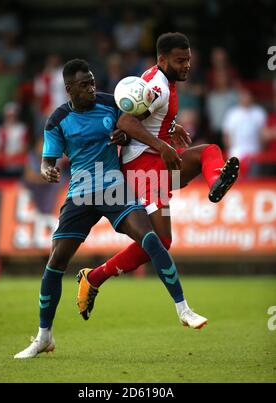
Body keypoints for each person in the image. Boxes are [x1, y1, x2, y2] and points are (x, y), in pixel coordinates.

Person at [14, 58, 207, 359]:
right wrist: (47, 170)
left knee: (152, 239)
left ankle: (184, 310)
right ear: (69, 89)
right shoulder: (57, 120)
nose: (92, 88)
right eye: (84, 84)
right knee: (56, 261)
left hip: (115, 187)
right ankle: (43, 337)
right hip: (80, 194)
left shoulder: (111, 102)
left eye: (92, 81)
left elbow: (138, 124)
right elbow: (47, 161)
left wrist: (127, 135)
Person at [77, 33, 240, 319]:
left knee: (209, 151)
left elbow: (144, 114)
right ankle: (94, 278)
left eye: (188, 60)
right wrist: (162, 144)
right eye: (180, 61)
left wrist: (169, 126)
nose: (186, 65)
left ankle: (216, 184)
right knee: (160, 242)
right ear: (162, 60)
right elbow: (126, 120)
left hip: (157, 162)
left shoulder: (163, 81)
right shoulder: (157, 86)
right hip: (142, 167)